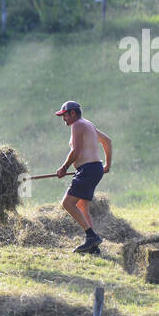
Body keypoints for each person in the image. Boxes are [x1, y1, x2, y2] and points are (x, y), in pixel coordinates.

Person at [53, 100, 112, 254]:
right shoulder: (88, 125)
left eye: (64, 115)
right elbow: (107, 141)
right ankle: (92, 247)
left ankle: (91, 236)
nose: (63, 119)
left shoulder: (78, 125)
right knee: (81, 205)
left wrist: (64, 168)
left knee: (67, 203)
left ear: (73, 113)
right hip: (94, 168)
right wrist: (106, 165)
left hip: (87, 170)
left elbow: (76, 151)